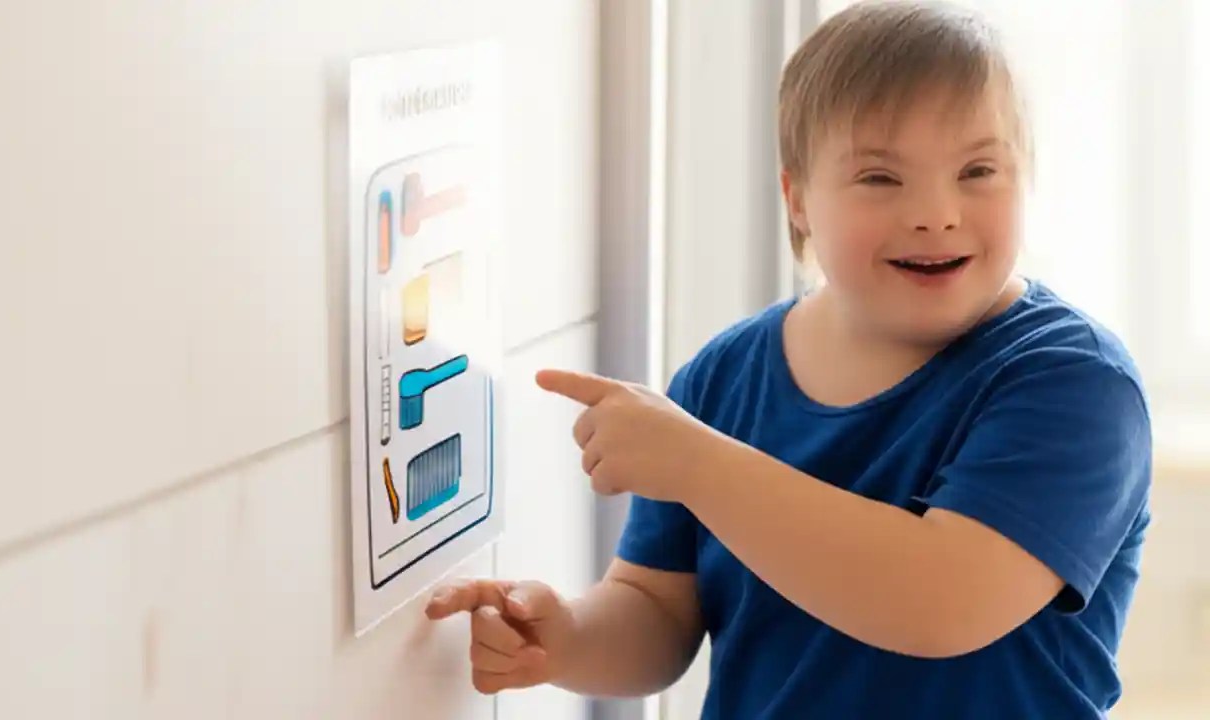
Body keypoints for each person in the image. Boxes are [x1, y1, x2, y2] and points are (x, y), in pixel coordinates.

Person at [426, 1, 1152, 717]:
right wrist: (566, 639)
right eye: (880, 178)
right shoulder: (724, 377)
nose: (936, 213)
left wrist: (699, 465)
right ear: (797, 199)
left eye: (978, 170)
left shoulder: (1075, 384)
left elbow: (941, 601)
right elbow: (656, 610)